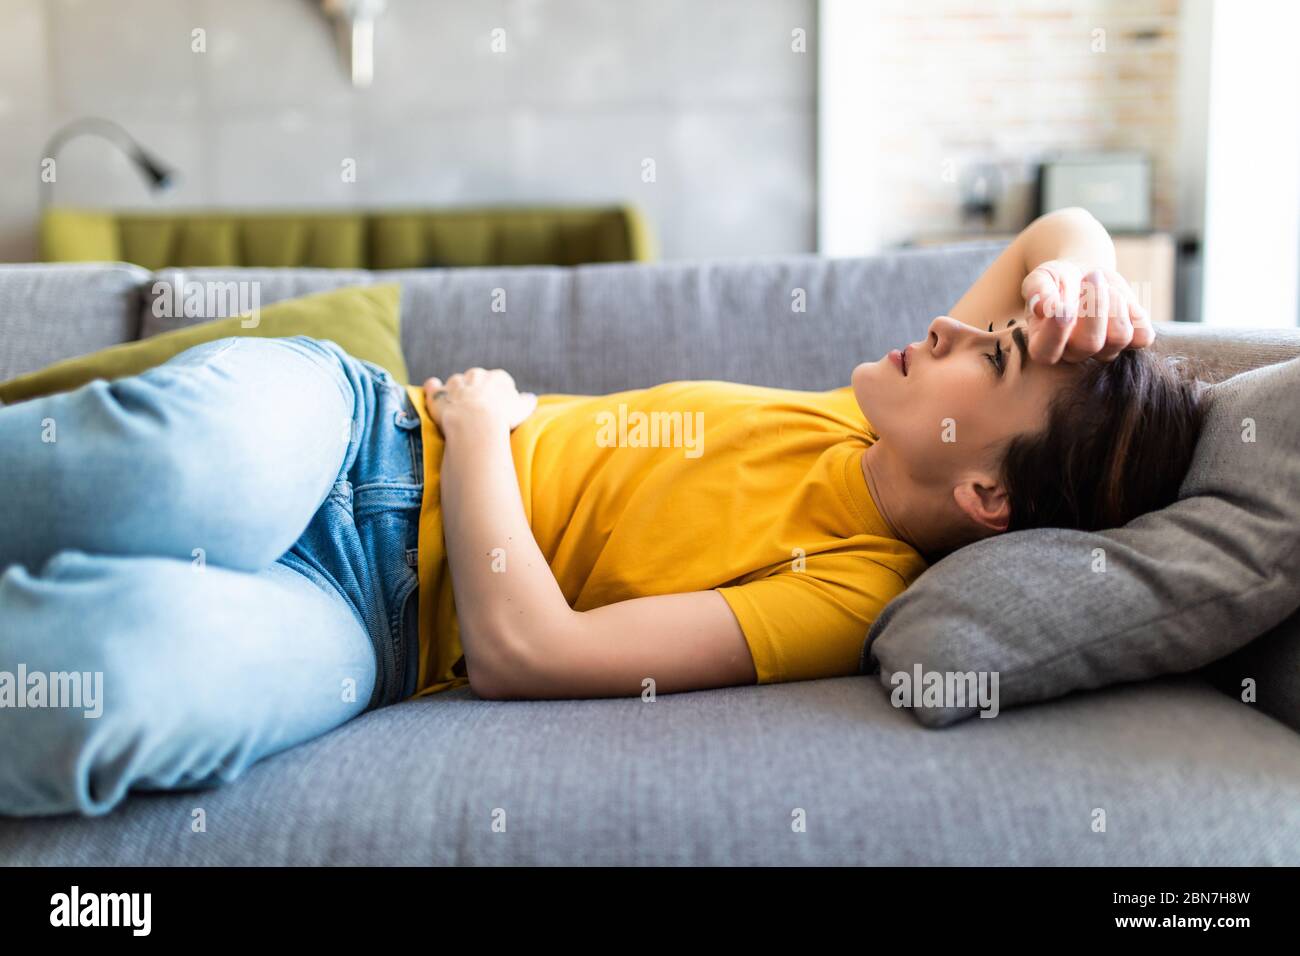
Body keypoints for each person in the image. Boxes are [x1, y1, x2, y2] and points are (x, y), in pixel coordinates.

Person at [0, 207, 1203, 816]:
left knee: (108, 680)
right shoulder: (869, 412)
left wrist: (479, 436)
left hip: (367, 630)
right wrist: (1075, 282)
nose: (947, 324)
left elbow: (532, 651)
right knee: (161, 473)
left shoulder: (847, 591)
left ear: (985, 491)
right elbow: (1060, 230)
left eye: (988, 356)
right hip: (358, 435)